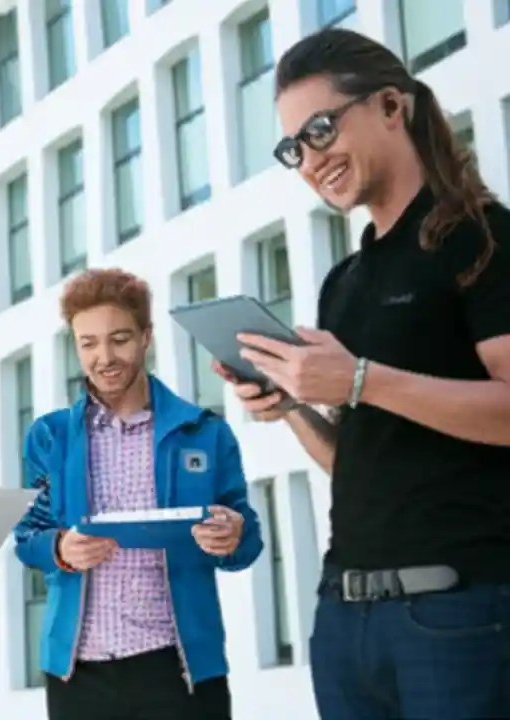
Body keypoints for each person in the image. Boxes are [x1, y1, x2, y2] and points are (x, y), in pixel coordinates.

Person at [212, 27, 510, 719]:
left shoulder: (483, 234)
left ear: (389, 106)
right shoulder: (344, 281)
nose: (312, 160)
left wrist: (357, 380)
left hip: (456, 612)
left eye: (320, 129)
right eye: (294, 148)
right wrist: (293, 403)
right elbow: (360, 458)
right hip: (346, 621)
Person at [14, 269, 262, 720]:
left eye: (120, 339)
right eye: (88, 343)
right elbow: (28, 537)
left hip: (180, 668)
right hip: (79, 674)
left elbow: (247, 539)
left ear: (146, 337)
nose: (104, 356)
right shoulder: (50, 437)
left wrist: (234, 533)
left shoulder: (204, 433)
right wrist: (60, 549)